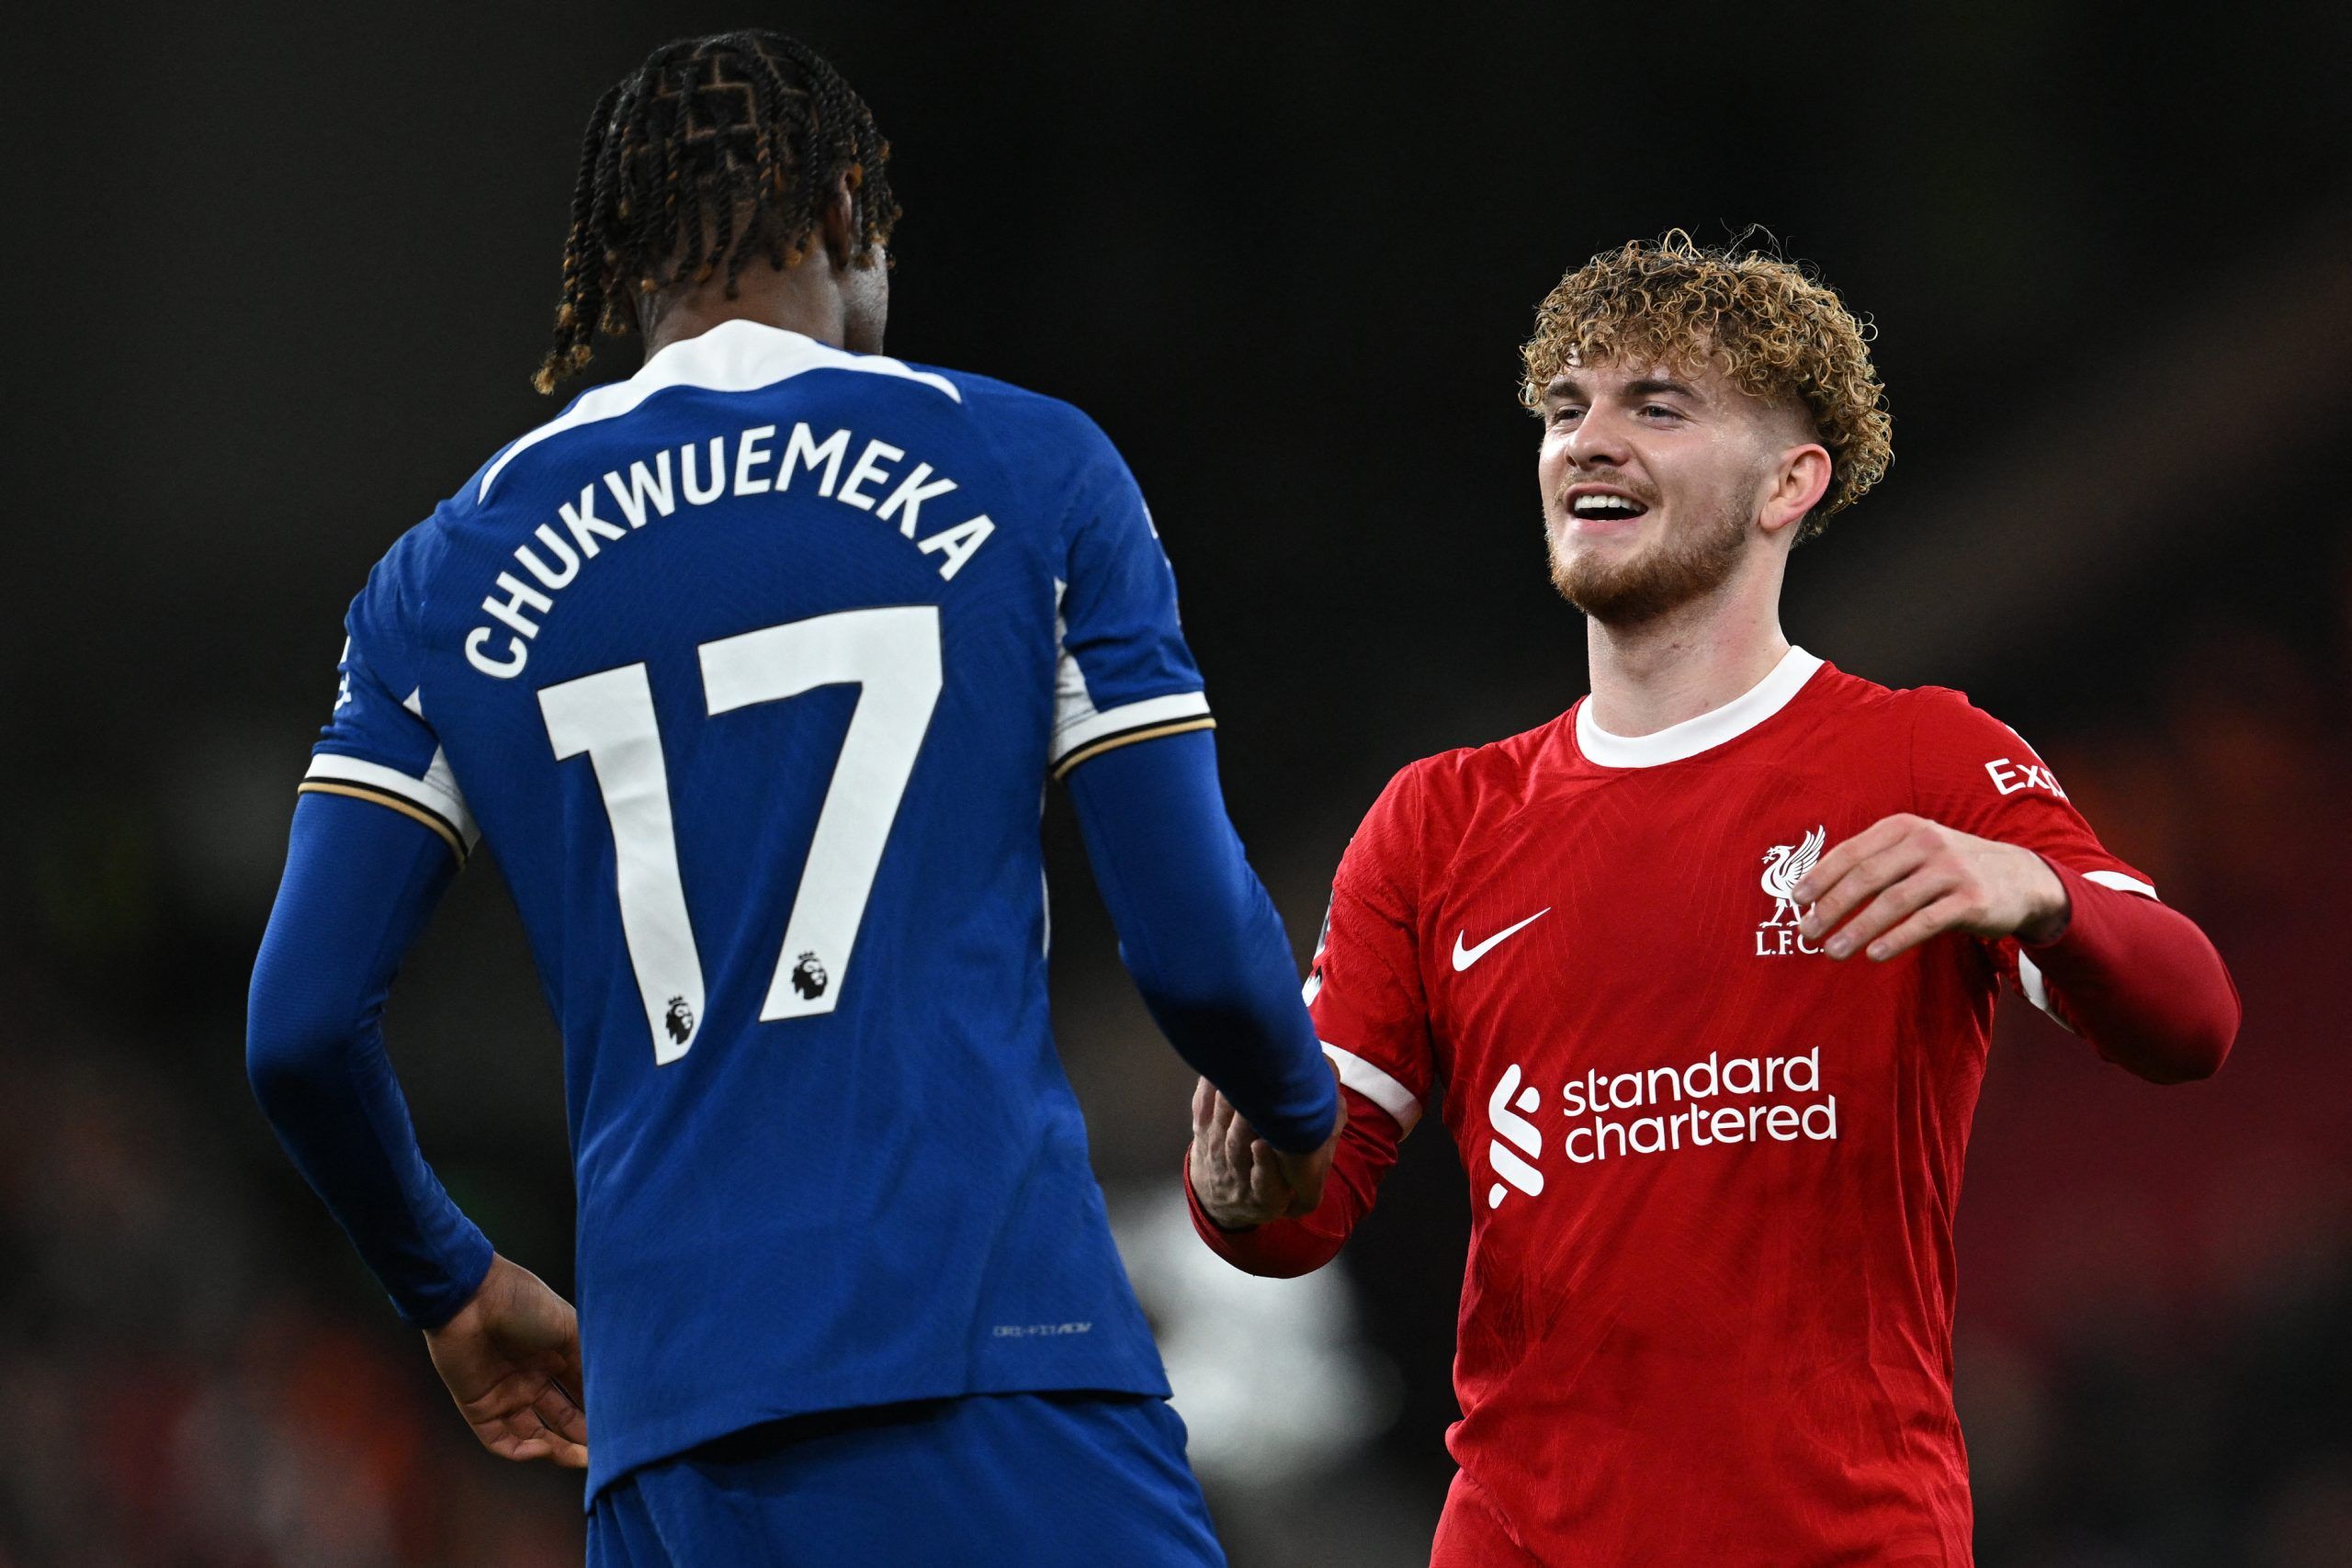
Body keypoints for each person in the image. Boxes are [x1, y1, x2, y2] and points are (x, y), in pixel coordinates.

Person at [244, 30, 1340, 1567]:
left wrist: (449, 1282)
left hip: (672, 1436)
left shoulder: (444, 573)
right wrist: (1298, 1114)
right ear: (846, 214)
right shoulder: (1029, 468)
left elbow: (296, 1029)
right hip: (989, 1359)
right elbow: (1192, 944)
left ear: (623, 262)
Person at [1184, 232, 2241, 1566]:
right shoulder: (1440, 820)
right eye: (1566, 411)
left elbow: (2193, 1022)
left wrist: (2037, 889)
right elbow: (1298, 1219)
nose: (1588, 442)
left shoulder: (1916, 755)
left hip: (1841, 1539)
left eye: (1656, 407)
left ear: (1791, 482)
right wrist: (1243, 1184)